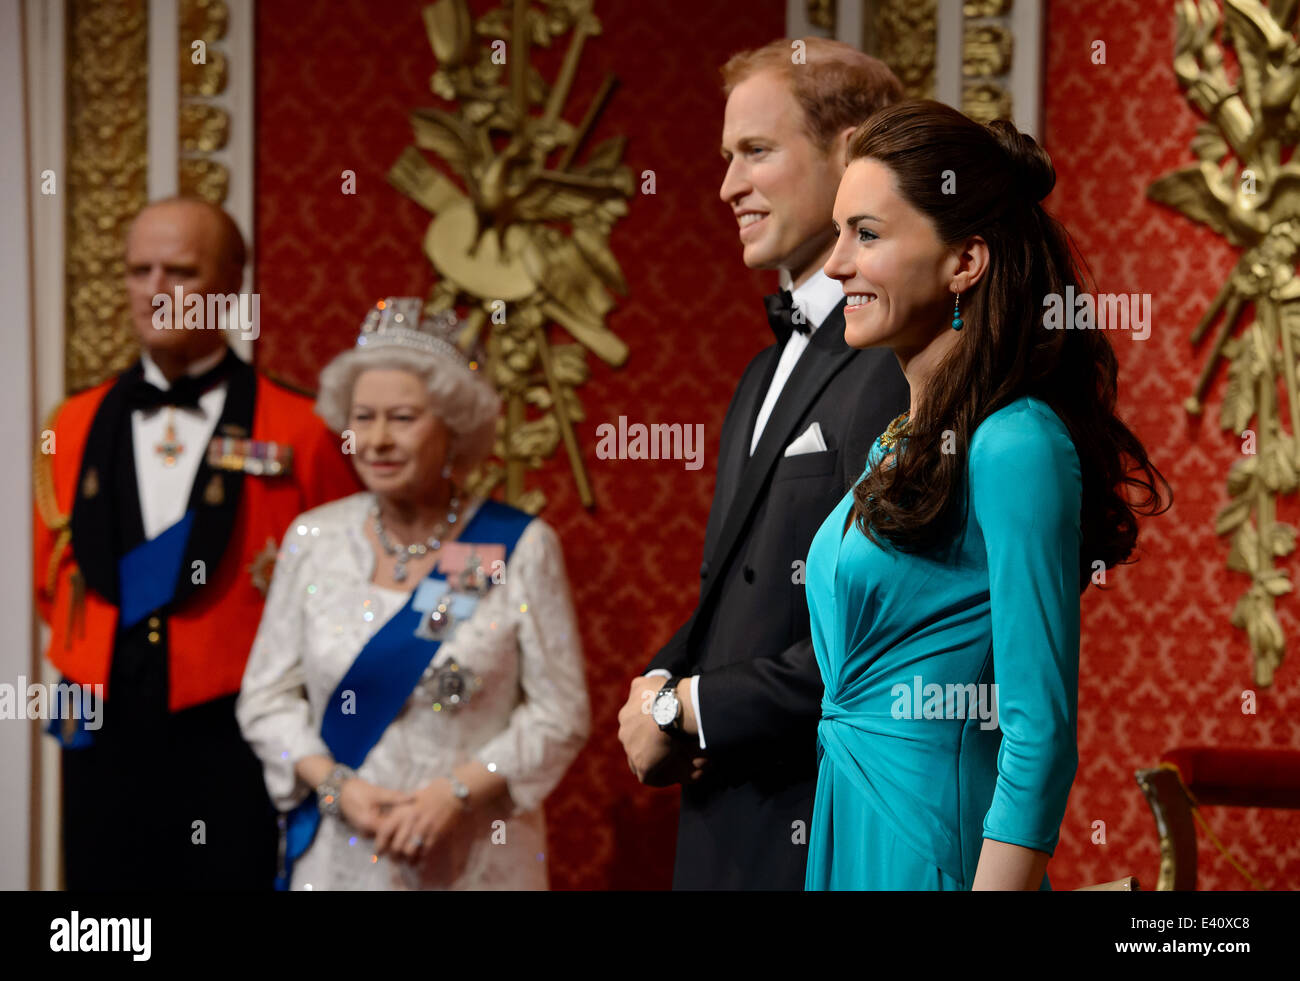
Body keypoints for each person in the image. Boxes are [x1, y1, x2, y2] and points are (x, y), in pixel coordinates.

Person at [805, 100, 1172, 890]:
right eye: (838, 233)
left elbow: (1040, 738)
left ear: (965, 260)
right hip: (850, 823)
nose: (834, 265)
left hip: (937, 844)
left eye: (866, 234)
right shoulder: (895, 443)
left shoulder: (1017, 443)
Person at [616, 38, 909, 889]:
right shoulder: (759, 373)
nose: (727, 186)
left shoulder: (897, 358)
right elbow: (734, 594)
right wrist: (657, 681)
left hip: (822, 824)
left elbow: (881, 634)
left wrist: (687, 708)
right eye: (726, 157)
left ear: (848, 152)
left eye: (755, 151)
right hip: (725, 823)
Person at [34, 196, 361, 889]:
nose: (155, 290)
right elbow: (51, 580)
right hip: (99, 722)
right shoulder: (71, 423)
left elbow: (342, 592)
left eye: (181, 272)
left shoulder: (302, 430)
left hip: (232, 728)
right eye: (139, 271)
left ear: (232, 286)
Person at [236, 297, 589, 890]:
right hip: (342, 852)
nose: (376, 440)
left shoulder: (519, 546)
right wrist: (335, 785)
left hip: (474, 852)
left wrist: (456, 793)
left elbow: (561, 714)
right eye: (362, 417)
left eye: (402, 418)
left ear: (453, 428)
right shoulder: (314, 540)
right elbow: (264, 699)